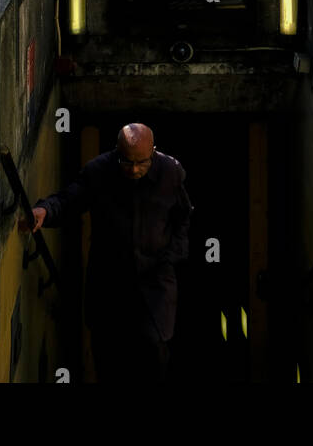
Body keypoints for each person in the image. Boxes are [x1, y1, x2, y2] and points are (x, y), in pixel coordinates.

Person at [22, 123, 191, 384]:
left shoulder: (171, 173)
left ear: (153, 153)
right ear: (116, 152)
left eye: (141, 163)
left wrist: (172, 255)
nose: (134, 170)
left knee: (154, 355)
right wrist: (45, 210)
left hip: (154, 285)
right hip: (109, 285)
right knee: (110, 360)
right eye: (126, 162)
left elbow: (183, 217)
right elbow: (70, 199)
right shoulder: (99, 171)